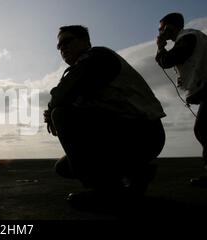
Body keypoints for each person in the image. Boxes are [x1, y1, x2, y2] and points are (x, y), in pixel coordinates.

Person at [45, 25, 166, 204]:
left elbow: (64, 94)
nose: (62, 48)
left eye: (67, 41)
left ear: (85, 41)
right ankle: (136, 173)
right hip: (123, 134)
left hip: (142, 133)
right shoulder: (81, 69)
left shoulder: (99, 57)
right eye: (59, 46)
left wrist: (52, 112)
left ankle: (107, 192)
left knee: (62, 114)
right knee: (64, 167)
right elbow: (69, 94)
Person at [155, 13, 207, 187]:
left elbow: (168, 61)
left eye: (161, 28)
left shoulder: (186, 37)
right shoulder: (194, 37)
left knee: (203, 129)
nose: (159, 32)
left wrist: (160, 47)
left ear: (170, 27)